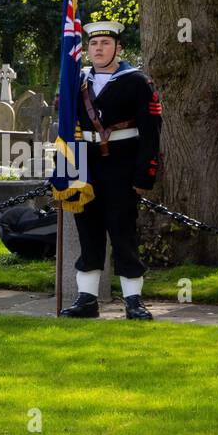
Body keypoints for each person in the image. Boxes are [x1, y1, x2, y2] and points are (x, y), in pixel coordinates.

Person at [59, 20, 162, 321]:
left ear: (119, 48)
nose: (98, 49)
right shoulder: (76, 80)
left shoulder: (138, 81)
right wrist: (66, 171)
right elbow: (66, 125)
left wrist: (145, 175)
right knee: (88, 232)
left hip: (122, 164)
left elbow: (151, 131)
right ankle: (87, 300)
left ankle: (133, 301)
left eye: (105, 44)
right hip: (84, 163)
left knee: (123, 233)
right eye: (93, 44)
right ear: (86, 49)